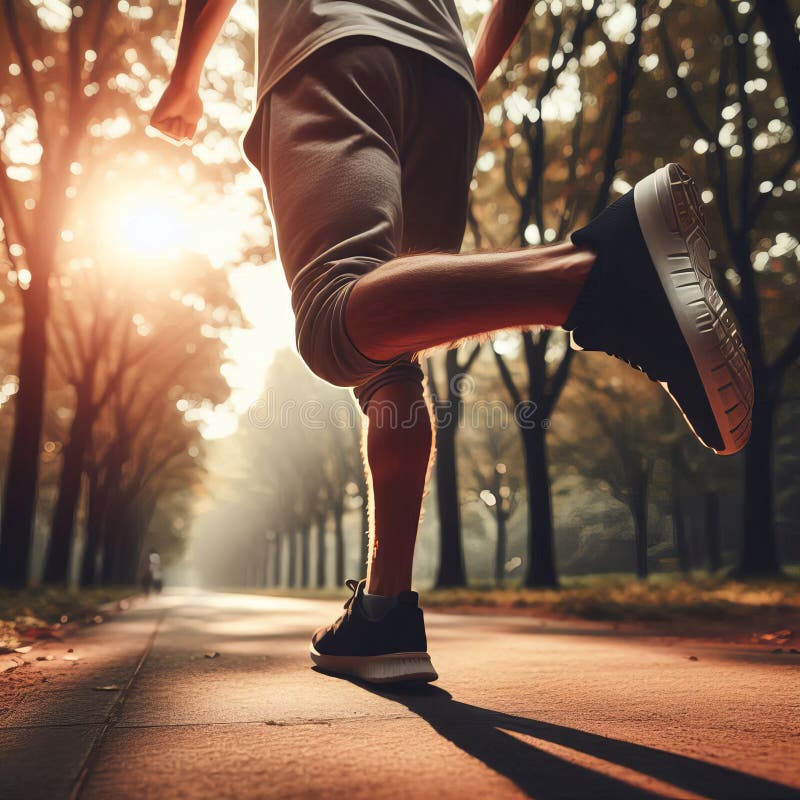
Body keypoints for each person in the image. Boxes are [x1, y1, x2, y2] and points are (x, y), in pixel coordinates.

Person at [150, 0, 753, 684]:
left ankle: (597, 275)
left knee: (332, 325)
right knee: (387, 357)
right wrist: (470, 71)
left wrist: (184, 77)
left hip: (329, 49)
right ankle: (385, 613)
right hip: (445, 84)